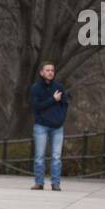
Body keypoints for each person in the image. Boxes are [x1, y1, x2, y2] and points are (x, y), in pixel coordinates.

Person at [30, 62, 69, 191]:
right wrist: (52, 99)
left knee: (56, 156)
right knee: (40, 156)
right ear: (42, 72)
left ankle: (56, 183)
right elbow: (36, 106)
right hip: (41, 126)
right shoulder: (36, 88)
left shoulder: (60, 87)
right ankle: (39, 182)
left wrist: (61, 118)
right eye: (47, 70)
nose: (50, 72)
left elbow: (65, 104)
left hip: (57, 127)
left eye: (52, 70)